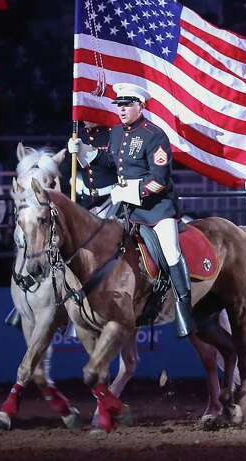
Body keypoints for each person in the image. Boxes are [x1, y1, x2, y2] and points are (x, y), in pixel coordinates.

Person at [68, 83, 196, 338]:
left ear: (141, 106)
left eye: (127, 105)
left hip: (157, 209)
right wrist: (83, 151)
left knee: (171, 251)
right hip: (126, 211)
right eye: (120, 105)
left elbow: (159, 180)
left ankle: (184, 308)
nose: (122, 110)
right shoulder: (116, 133)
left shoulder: (155, 135)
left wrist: (128, 192)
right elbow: (109, 161)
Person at [70, 120, 117, 214]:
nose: (85, 120)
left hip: (111, 198)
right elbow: (67, 165)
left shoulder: (114, 133)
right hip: (87, 199)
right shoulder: (79, 135)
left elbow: (116, 160)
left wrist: (93, 153)